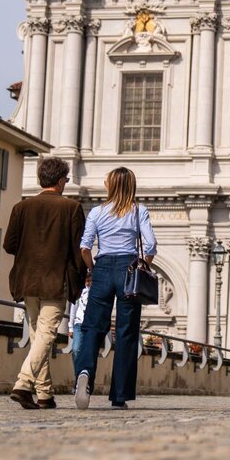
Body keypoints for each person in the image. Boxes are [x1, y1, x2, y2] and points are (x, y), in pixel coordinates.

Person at [3, 157, 86, 409]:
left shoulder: (21, 207)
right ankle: (23, 383)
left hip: (27, 280)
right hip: (55, 280)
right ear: (61, 181)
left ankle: (45, 394)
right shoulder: (71, 208)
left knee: (38, 335)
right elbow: (77, 249)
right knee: (47, 335)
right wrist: (81, 279)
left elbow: (8, 245)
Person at [75, 167, 156, 410]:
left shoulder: (97, 212)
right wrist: (142, 267)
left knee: (92, 327)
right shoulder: (138, 211)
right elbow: (150, 245)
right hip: (128, 269)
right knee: (126, 332)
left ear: (110, 185)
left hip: (102, 269)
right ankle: (119, 396)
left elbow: (85, 247)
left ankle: (85, 371)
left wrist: (91, 270)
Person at [68, 280, 91, 376]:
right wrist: (70, 327)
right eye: (86, 279)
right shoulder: (80, 289)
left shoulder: (96, 289)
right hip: (79, 323)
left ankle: (85, 378)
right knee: (76, 349)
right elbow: (73, 308)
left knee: (88, 352)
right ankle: (78, 376)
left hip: (91, 325)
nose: (88, 281)